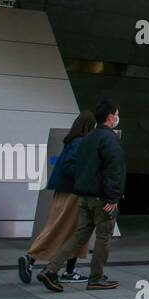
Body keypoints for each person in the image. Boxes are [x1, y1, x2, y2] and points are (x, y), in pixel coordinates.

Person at [36, 99, 125, 293]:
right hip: (102, 198)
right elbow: (114, 170)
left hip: (84, 197)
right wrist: (113, 198)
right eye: (117, 113)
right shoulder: (109, 139)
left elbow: (81, 168)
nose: (118, 117)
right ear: (111, 117)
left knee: (79, 236)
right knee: (103, 237)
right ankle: (96, 278)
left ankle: (50, 269)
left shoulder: (88, 138)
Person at [18, 111, 98, 284]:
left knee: (72, 231)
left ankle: (68, 270)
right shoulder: (80, 143)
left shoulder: (72, 141)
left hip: (66, 192)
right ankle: (30, 258)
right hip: (72, 194)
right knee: (63, 229)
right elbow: (71, 166)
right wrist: (87, 174)